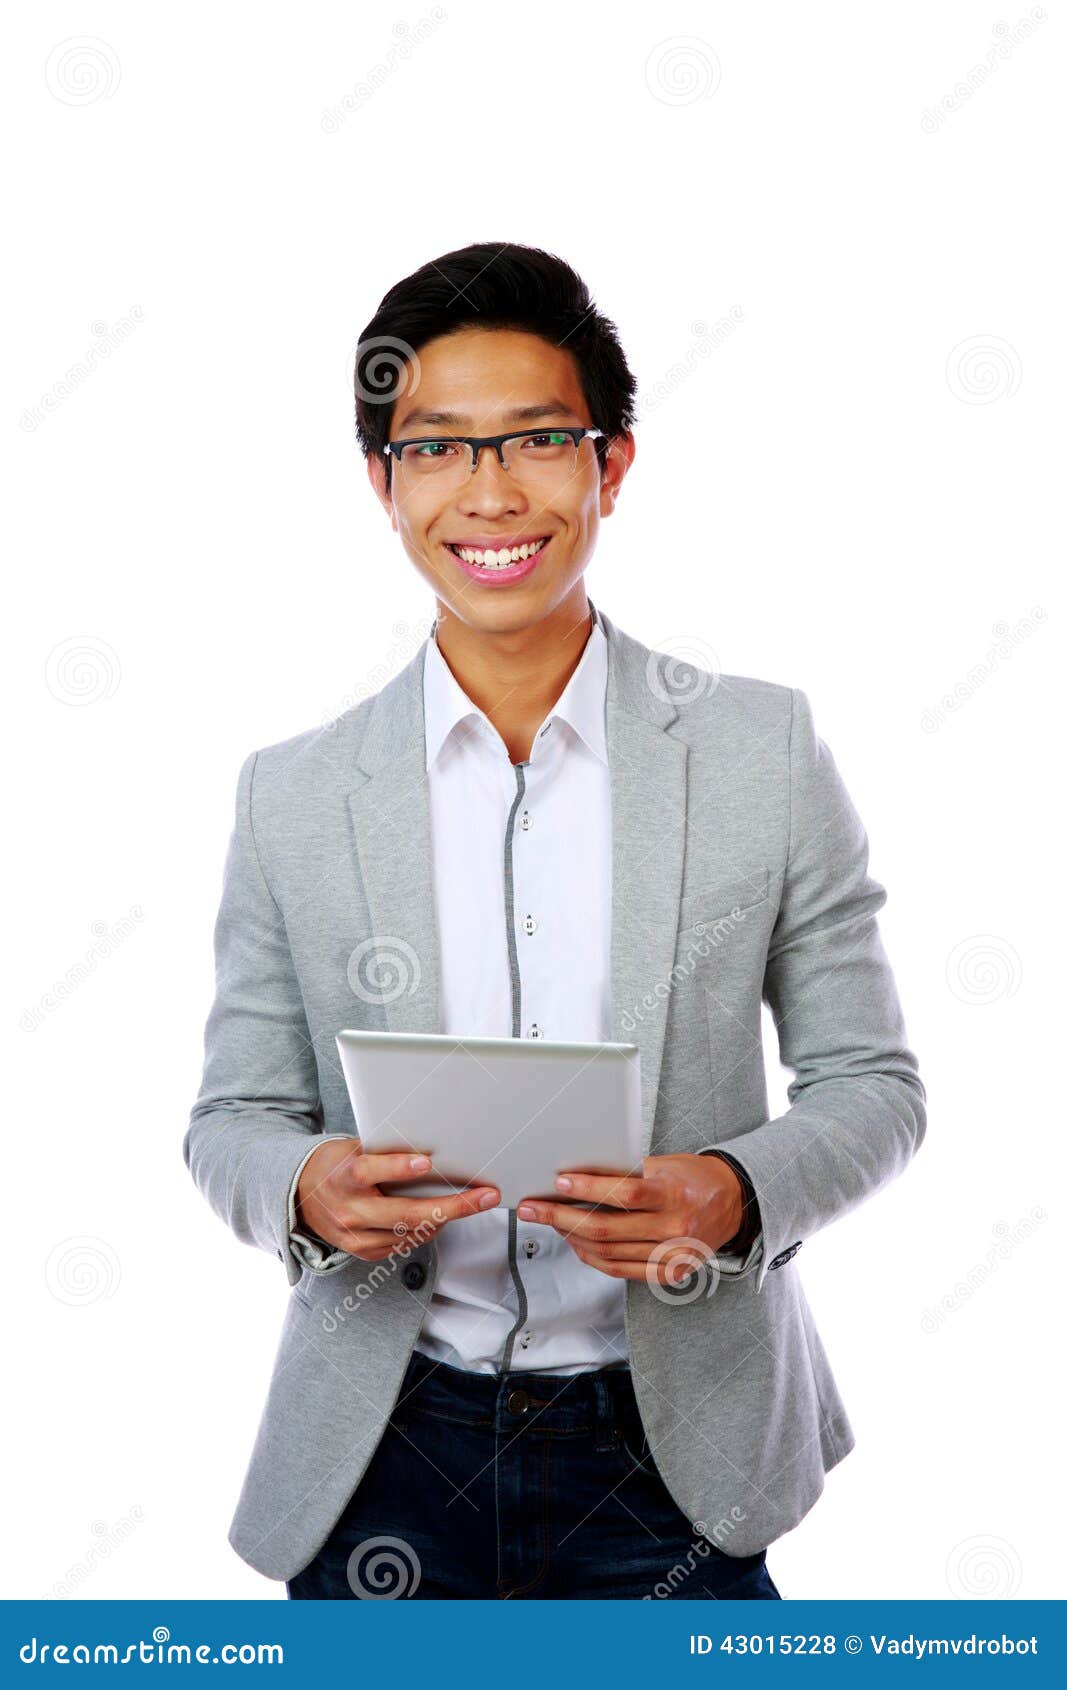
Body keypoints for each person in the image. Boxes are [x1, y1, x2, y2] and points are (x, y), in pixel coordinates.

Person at [183, 242, 926, 1600]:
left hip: (676, 1454)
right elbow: (232, 1116)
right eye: (436, 449)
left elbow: (873, 1085)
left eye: (536, 439)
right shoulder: (293, 794)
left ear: (611, 465)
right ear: (383, 484)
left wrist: (735, 1193)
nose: (490, 493)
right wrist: (303, 1187)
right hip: (386, 1450)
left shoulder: (759, 752)